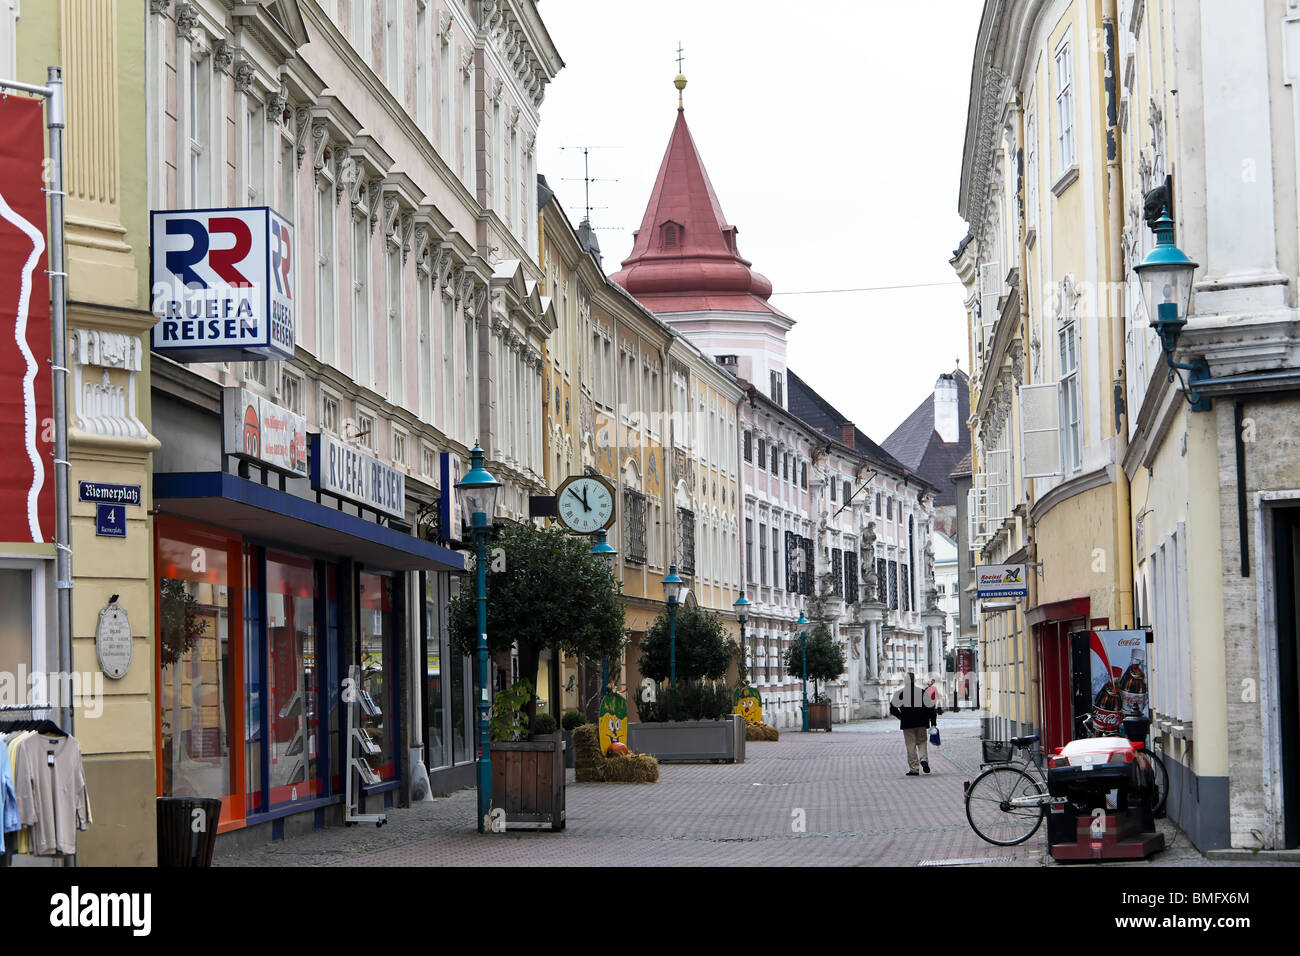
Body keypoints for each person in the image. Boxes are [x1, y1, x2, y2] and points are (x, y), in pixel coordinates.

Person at [890, 671, 939, 775]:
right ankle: (924, 759)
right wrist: (933, 723)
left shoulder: (900, 693)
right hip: (921, 722)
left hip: (907, 723)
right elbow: (931, 709)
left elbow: (892, 709)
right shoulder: (922, 692)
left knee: (910, 745)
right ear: (914, 680)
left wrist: (901, 717)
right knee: (922, 742)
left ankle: (914, 768)